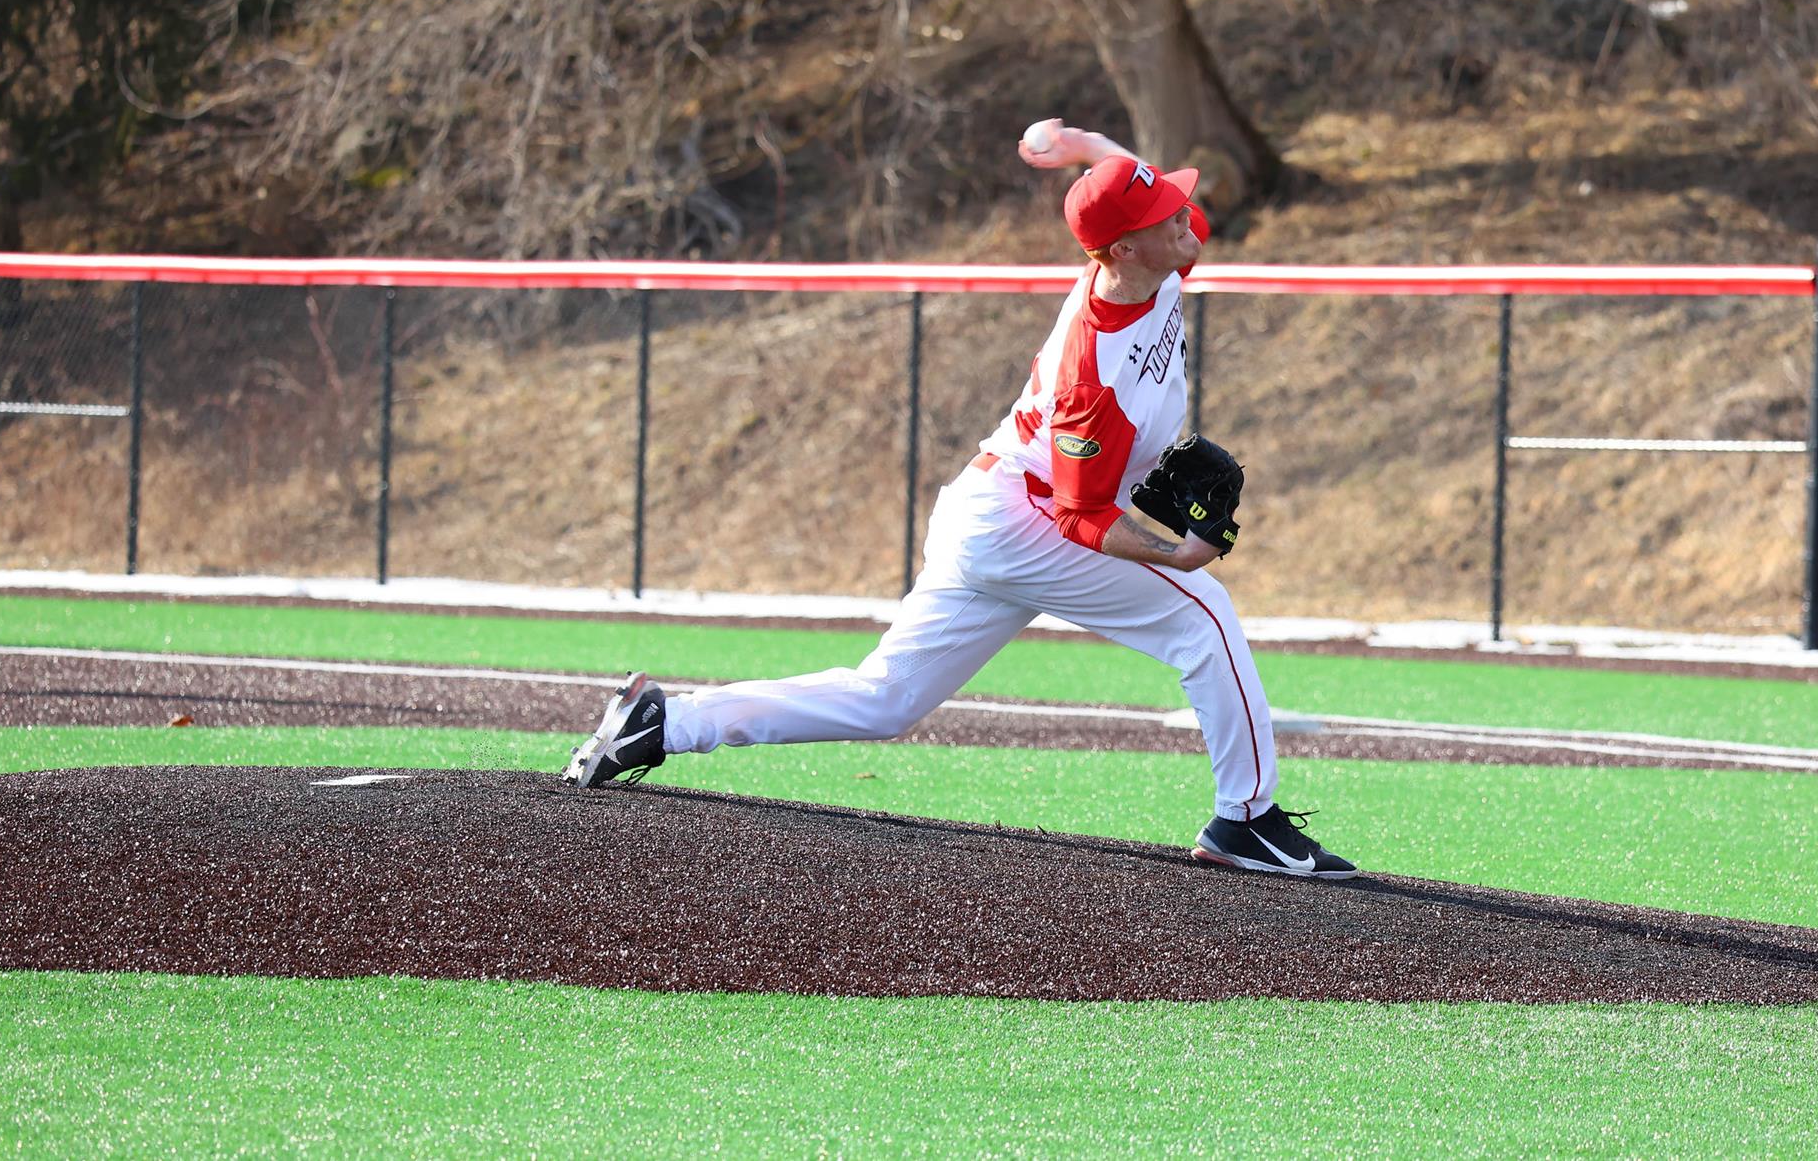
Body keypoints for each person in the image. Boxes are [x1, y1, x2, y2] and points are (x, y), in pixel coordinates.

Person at [562, 120, 1357, 880]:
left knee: (884, 701)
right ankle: (1245, 820)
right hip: (1024, 520)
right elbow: (1082, 517)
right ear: (1122, 247)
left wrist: (1085, 148)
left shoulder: (1155, 257)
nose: (1186, 218)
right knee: (1202, 609)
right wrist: (1179, 553)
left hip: (992, 509)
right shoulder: (1095, 373)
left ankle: (668, 722)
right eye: (1162, 213)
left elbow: (1136, 197)